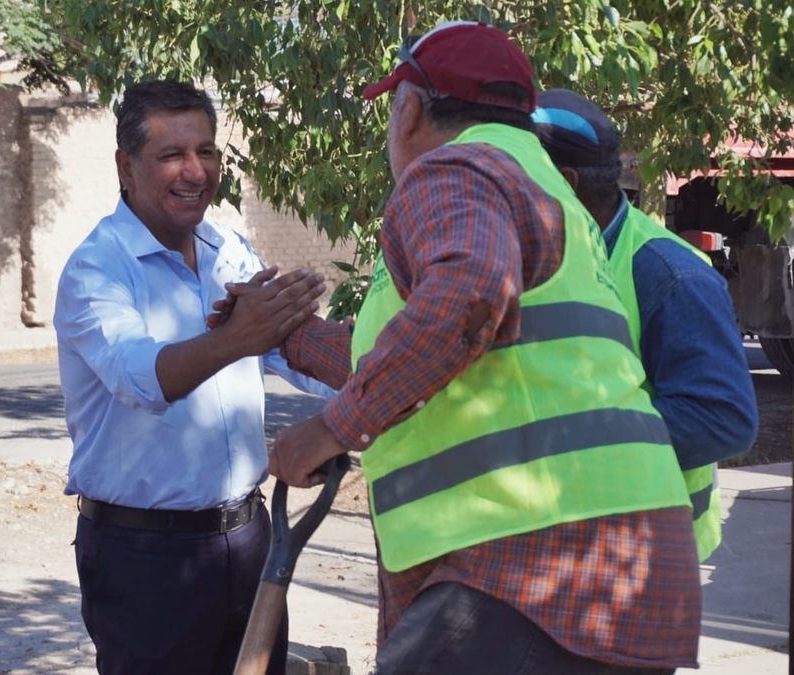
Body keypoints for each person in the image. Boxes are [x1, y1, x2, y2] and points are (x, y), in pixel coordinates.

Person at [260, 21, 702, 674]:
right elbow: (408, 351)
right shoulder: (550, 192)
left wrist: (329, 430)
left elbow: (466, 297)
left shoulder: (454, 166)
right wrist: (287, 337)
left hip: (532, 559)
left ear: (409, 107)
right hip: (627, 562)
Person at [53, 79, 330, 675]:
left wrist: (388, 355)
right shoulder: (96, 269)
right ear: (126, 166)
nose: (195, 171)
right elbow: (140, 379)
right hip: (145, 560)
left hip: (250, 539)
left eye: (206, 151)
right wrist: (238, 337)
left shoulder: (228, 248)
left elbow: (292, 351)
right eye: (172, 154)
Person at [533, 88, 759, 561]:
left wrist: (566, 444)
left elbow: (724, 420)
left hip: (644, 555)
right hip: (568, 547)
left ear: (564, 182)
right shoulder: (548, 253)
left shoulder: (670, 274)